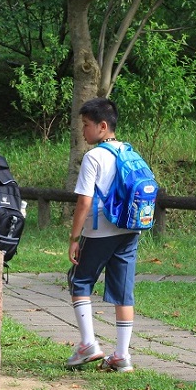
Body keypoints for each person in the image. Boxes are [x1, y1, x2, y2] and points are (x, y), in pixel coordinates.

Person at [65, 97, 142, 373]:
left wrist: (74, 238)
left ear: (102, 126)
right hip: (130, 229)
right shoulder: (130, 152)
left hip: (100, 231)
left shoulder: (93, 156)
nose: (83, 131)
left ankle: (88, 344)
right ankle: (122, 355)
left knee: (79, 280)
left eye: (86, 125)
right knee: (124, 291)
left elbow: (84, 202)